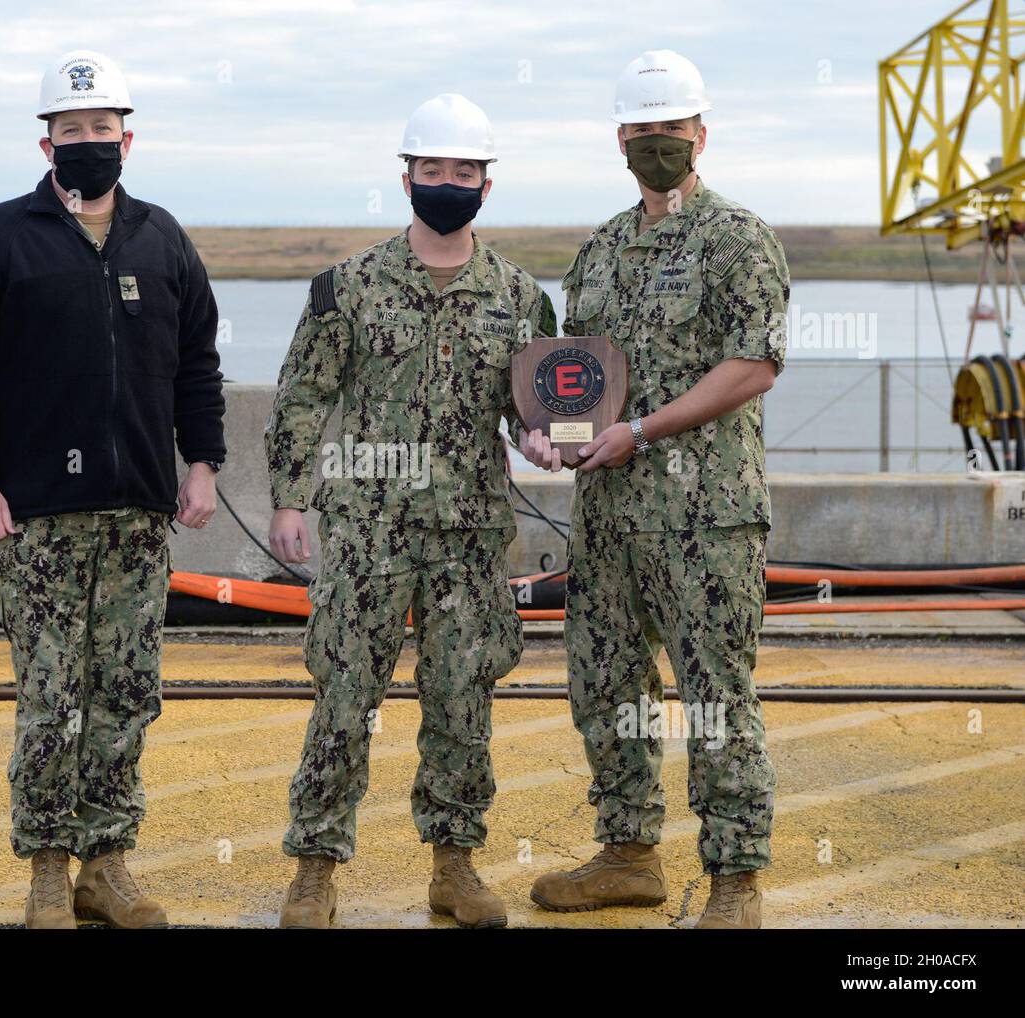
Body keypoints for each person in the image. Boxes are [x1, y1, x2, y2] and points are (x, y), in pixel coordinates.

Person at [0, 49, 225, 929]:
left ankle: (107, 864)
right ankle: (48, 870)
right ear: (46, 142)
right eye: (71, 128)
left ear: (127, 140)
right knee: (52, 701)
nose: (87, 139)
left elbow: (197, 362)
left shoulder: (162, 239)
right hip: (36, 520)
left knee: (125, 694)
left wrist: (202, 462)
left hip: (138, 514)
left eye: (102, 127)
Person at [265, 93, 556, 929]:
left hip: (469, 534)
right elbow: (302, 399)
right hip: (367, 532)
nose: (448, 183)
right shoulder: (347, 287)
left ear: (486, 186)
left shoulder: (520, 297)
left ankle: (455, 867)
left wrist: (542, 440)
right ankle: (315, 869)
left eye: (464, 171)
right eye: (433, 169)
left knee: (462, 699)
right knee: (344, 697)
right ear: (406, 178)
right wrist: (289, 500)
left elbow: (533, 407)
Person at [522, 50, 788, 929]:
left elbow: (753, 365)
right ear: (620, 140)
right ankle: (628, 855)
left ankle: (736, 881)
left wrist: (641, 431)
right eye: (642, 131)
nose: (656, 144)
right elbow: (576, 374)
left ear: (701, 135)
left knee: (716, 697)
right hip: (609, 517)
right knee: (605, 687)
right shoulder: (600, 249)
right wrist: (552, 434)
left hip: (705, 517)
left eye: (671, 129)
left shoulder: (736, 238)